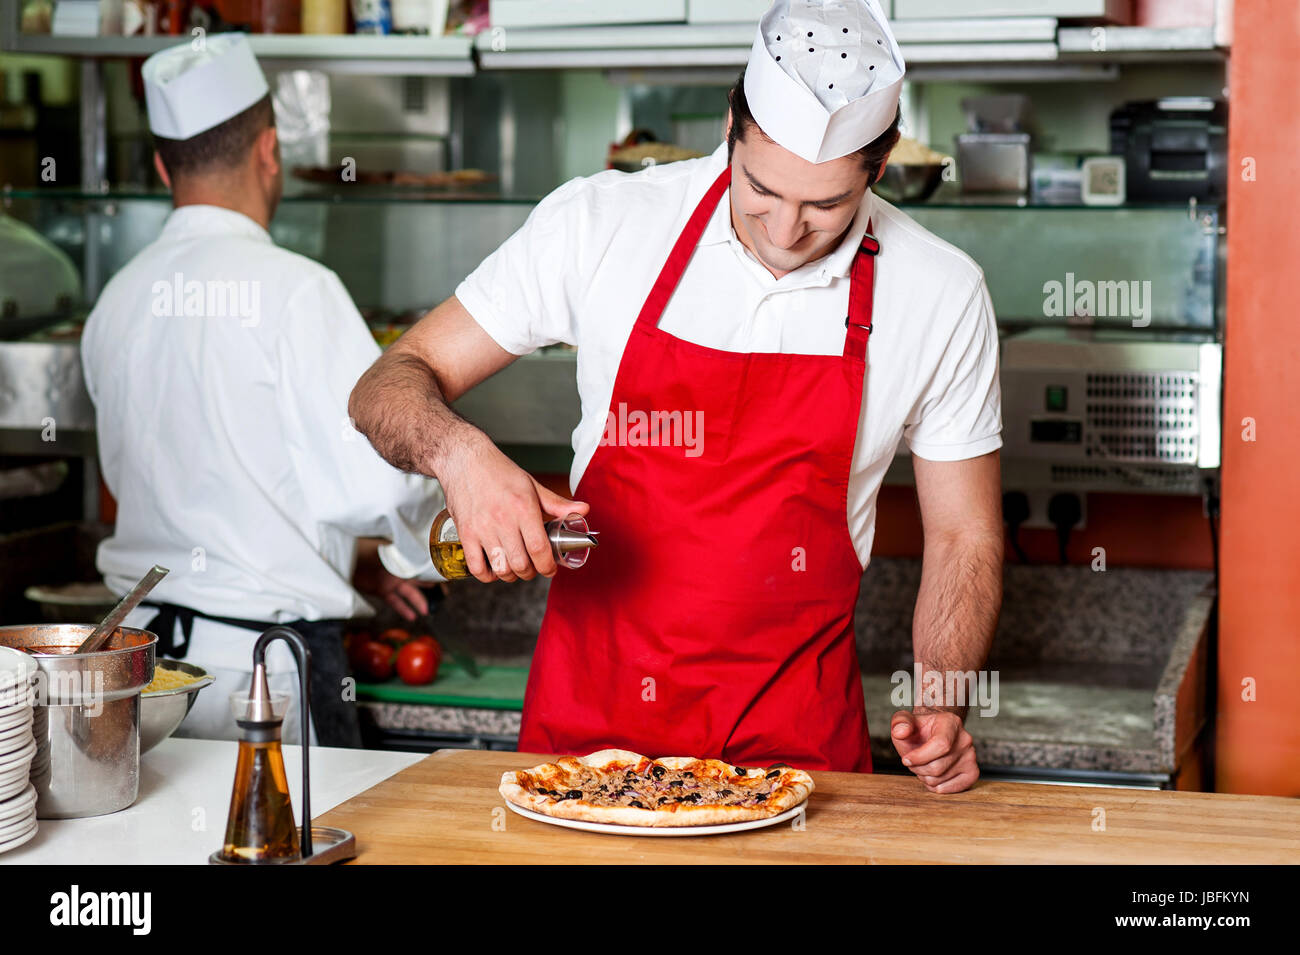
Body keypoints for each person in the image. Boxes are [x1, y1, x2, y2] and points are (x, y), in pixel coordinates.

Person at [349, 0, 1002, 790]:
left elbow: (964, 533)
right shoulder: (606, 224)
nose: (786, 229)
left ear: (882, 161)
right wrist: (462, 455)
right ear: (732, 122)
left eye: (826, 205)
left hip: (795, 757)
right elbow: (388, 381)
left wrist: (943, 696)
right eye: (760, 187)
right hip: (584, 744)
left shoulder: (939, 290)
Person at [81, 34, 445, 747]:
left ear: (161, 167)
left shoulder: (114, 303)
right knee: (288, 857)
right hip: (265, 672)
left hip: (138, 672)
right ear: (269, 149)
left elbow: (166, 491)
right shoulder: (299, 291)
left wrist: (340, 559)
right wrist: (424, 554)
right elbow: (384, 485)